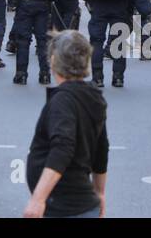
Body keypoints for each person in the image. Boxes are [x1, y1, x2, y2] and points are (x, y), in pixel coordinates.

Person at [23, 30, 108, 219]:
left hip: (64, 206)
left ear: (53, 61)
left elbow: (63, 147)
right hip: (83, 203)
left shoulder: (63, 100)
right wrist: (100, 192)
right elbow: (101, 150)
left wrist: (38, 199)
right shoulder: (93, 96)